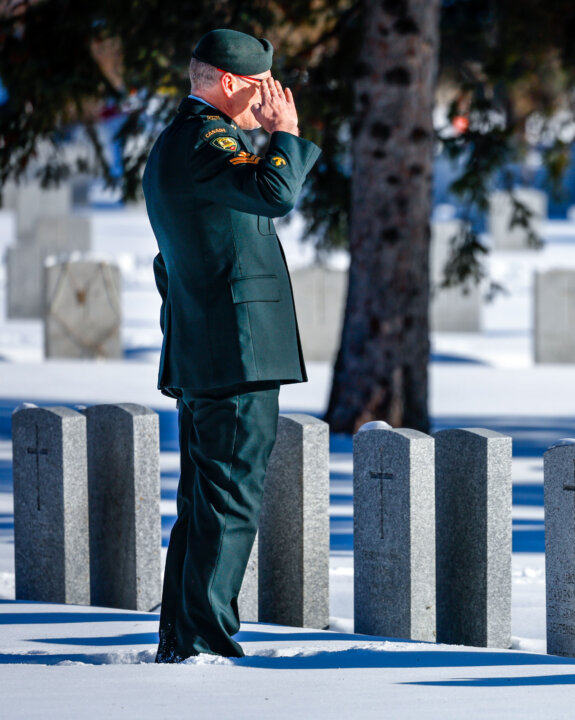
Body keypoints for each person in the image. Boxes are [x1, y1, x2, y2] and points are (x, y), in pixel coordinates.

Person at [142, 28, 322, 663]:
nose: (268, 100)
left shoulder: (177, 142)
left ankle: (183, 635)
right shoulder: (206, 141)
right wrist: (286, 134)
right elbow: (275, 193)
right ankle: (205, 642)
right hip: (233, 354)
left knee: (203, 503)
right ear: (226, 82)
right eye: (260, 88)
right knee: (228, 503)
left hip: (206, 349)